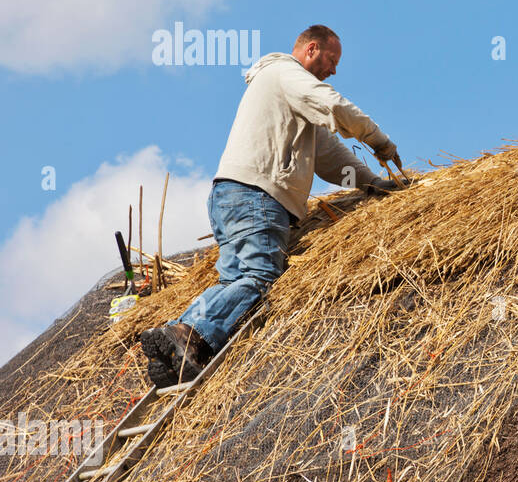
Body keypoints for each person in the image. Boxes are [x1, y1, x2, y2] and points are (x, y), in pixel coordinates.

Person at [140, 25, 401, 386]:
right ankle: (183, 330)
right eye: (331, 60)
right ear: (311, 49)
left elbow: (328, 155)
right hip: (257, 197)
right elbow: (334, 105)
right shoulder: (285, 73)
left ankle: (182, 350)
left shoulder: (288, 98)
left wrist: (370, 182)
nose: (334, 70)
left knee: (235, 280)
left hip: (230, 195)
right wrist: (379, 140)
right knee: (260, 277)